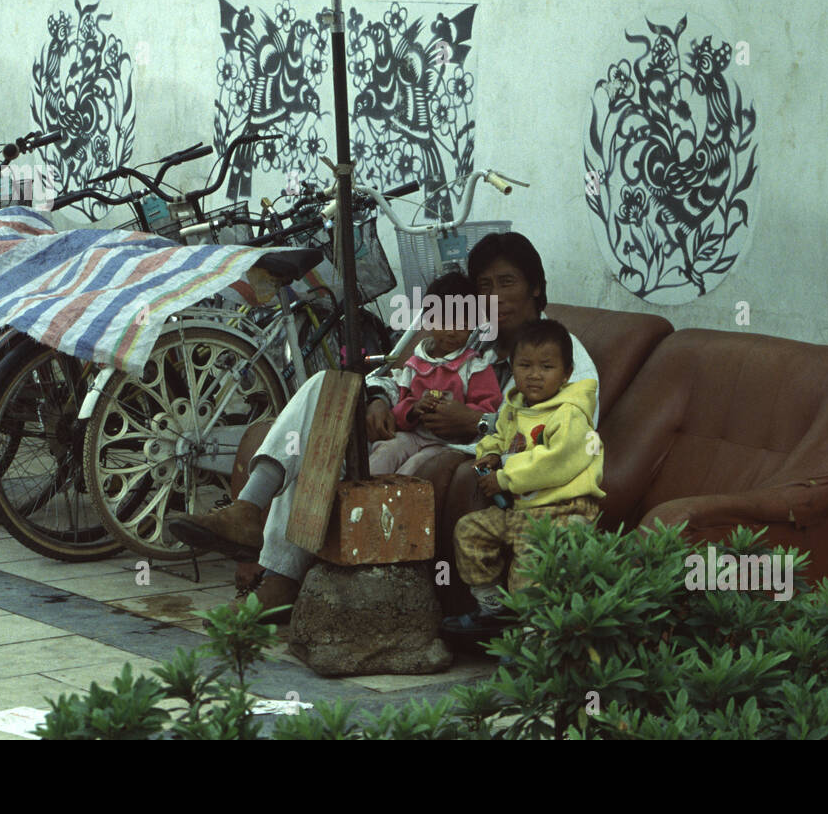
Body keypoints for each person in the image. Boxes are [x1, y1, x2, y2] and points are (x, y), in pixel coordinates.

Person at [167, 231, 600, 618]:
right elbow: (392, 372)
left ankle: (282, 576)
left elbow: (570, 438)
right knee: (328, 387)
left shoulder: (564, 353)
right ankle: (249, 507)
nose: (496, 297)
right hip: (412, 431)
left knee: (369, 462)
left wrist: (478, 423)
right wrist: (376, 399)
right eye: (484, 287)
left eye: (508, 283)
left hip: (461, 453)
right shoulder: (465, 335)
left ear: (536, 288)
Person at [441, 319, 605, 636]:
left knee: (529, 570)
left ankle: (532, 640)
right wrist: (487, 455)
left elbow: (555, 461)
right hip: (521, 511)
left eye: (547, 367)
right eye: (525, 365)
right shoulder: (514, 407)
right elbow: (498, 439)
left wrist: (504, 478)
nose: (534, 374)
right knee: (469, 531)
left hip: (563, 510)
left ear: (567, 373)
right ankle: (492, 609)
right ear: (512, 366)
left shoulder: (570, 413)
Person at [368, 271, 502, 475]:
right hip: (415, 435)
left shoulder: (475, 366)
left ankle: (394, 506)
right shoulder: (415, 363)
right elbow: (400, 407)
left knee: (413, 470)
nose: (452, 331)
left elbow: (489, 408)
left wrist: (461, 413)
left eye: (463, 323)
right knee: (384, 452)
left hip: (450, 443)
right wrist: (414, 409)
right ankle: (362, 501)